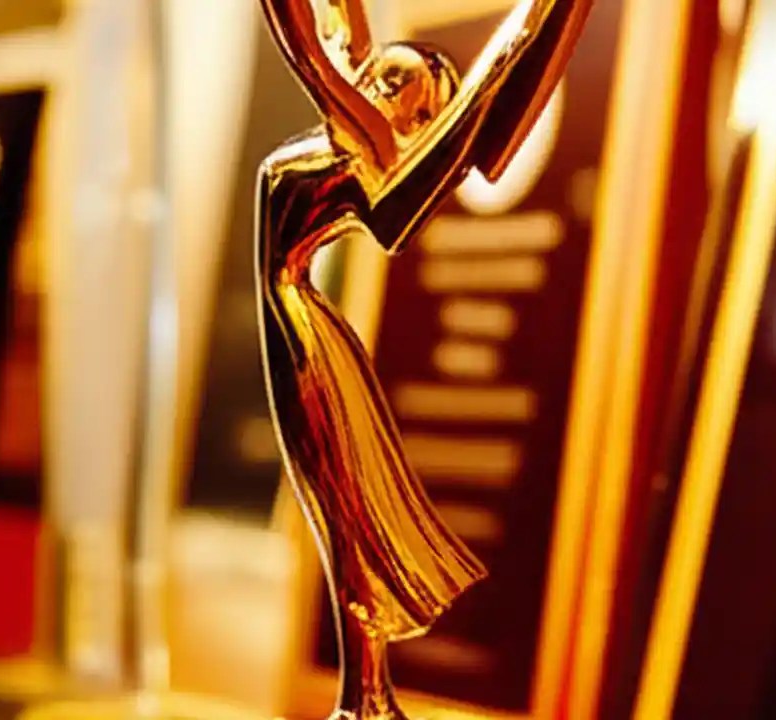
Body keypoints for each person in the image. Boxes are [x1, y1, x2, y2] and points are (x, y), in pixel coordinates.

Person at [254, 0, 592, 715]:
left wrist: (528, 32)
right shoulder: (345, 133)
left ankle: (365, 694)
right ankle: (366, 692)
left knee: (350, 523)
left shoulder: (370, 164)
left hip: (306, 339)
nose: (381, 79)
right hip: (303, 331)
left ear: (412, 120)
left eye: (403, 87)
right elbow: (336, 37)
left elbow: (307, 46)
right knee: (342, 519)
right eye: (387, 72)